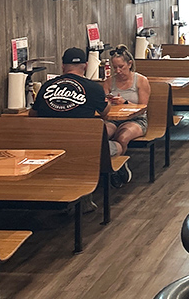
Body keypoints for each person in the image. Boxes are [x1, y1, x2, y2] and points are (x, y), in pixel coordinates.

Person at [31, 47, 119, 202]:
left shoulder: (46, 86)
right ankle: (93, 188)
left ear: (63, 66)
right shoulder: (94, 88)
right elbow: (105, 112)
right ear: (85, 66)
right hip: (81, 147)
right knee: (116, 141)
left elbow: (33, 114)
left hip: (48, 147)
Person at [103, 44, 152, 185]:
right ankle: (107, 164)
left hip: (137, 120)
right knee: (103, 133)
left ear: (129, 64)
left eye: (121, 67)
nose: (118, 71)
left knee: (122, 137)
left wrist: (124, 103)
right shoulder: (109, 82)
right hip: (113, 119)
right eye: (115, 68)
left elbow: (143, 108)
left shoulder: (140, 80)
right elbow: (103, 105)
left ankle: (118, 168)